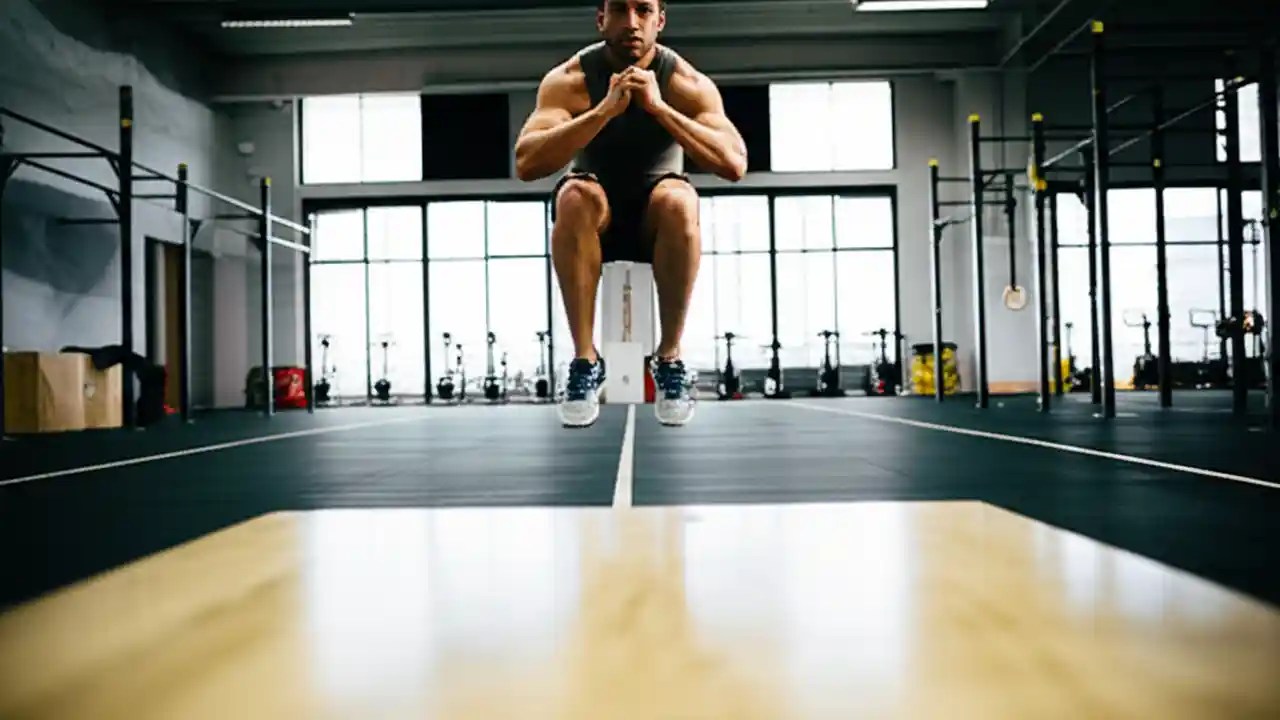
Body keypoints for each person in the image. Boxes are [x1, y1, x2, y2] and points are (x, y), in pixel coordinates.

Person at [514, 0, 747, 428]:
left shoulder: (686, 82)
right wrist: (603, 111)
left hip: (656, 220)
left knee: (680, 199)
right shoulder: (570, 80)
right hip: (595, 218)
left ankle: (669, 358)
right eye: (619, 10)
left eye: (643, 10)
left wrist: (659, 108)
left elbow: (733, 164)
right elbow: (527, 164)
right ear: (601, 19)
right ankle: (586, 361)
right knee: (573, 197)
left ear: (660, 21)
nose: (631, 22)